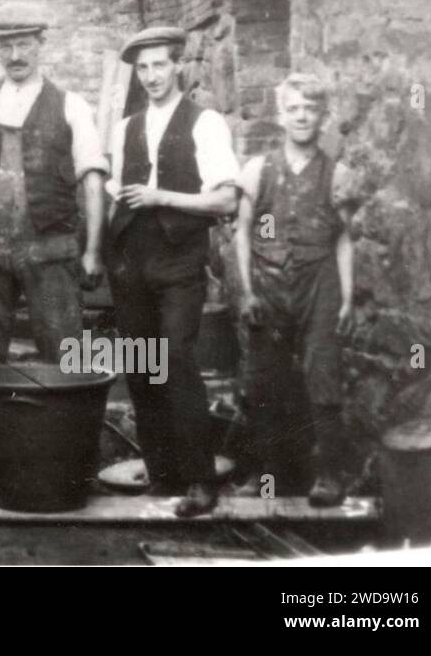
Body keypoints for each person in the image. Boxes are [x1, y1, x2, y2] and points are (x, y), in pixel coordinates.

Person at [0, 2, 108, 493]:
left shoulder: (70, 105)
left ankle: (74, 464)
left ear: (40, 46)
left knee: (66, 355)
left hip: (51, 247)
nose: (15, 55)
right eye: (6, 46)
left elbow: (93, 180)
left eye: (24, 45)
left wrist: (93, 250)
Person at [105, 26, 239, 517]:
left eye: (160, 65)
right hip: (132, 256)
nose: (152, 76)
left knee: (178, 359)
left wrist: (163, 197)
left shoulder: (206, 124)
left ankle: (200, 481)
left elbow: (226, 198)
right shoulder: (125, 129)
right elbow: (115, 189)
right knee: (143, 365)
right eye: (143, 68)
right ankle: (161, 477)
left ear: (178, 66)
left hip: (180, 255)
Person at [233, 73, 355, 506]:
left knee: (322, 375)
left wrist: (347, 295)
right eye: (294, 109)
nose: (302, 117)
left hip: (319, 281)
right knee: (264, 381)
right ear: (282, 116)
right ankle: (267, 475)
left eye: (311, 109)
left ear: (323, 116)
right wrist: (246, 291)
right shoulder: (258, 169)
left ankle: (328, 474)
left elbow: (343, 236)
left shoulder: (336, 173)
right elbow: (243, 232)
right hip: (268, 284)